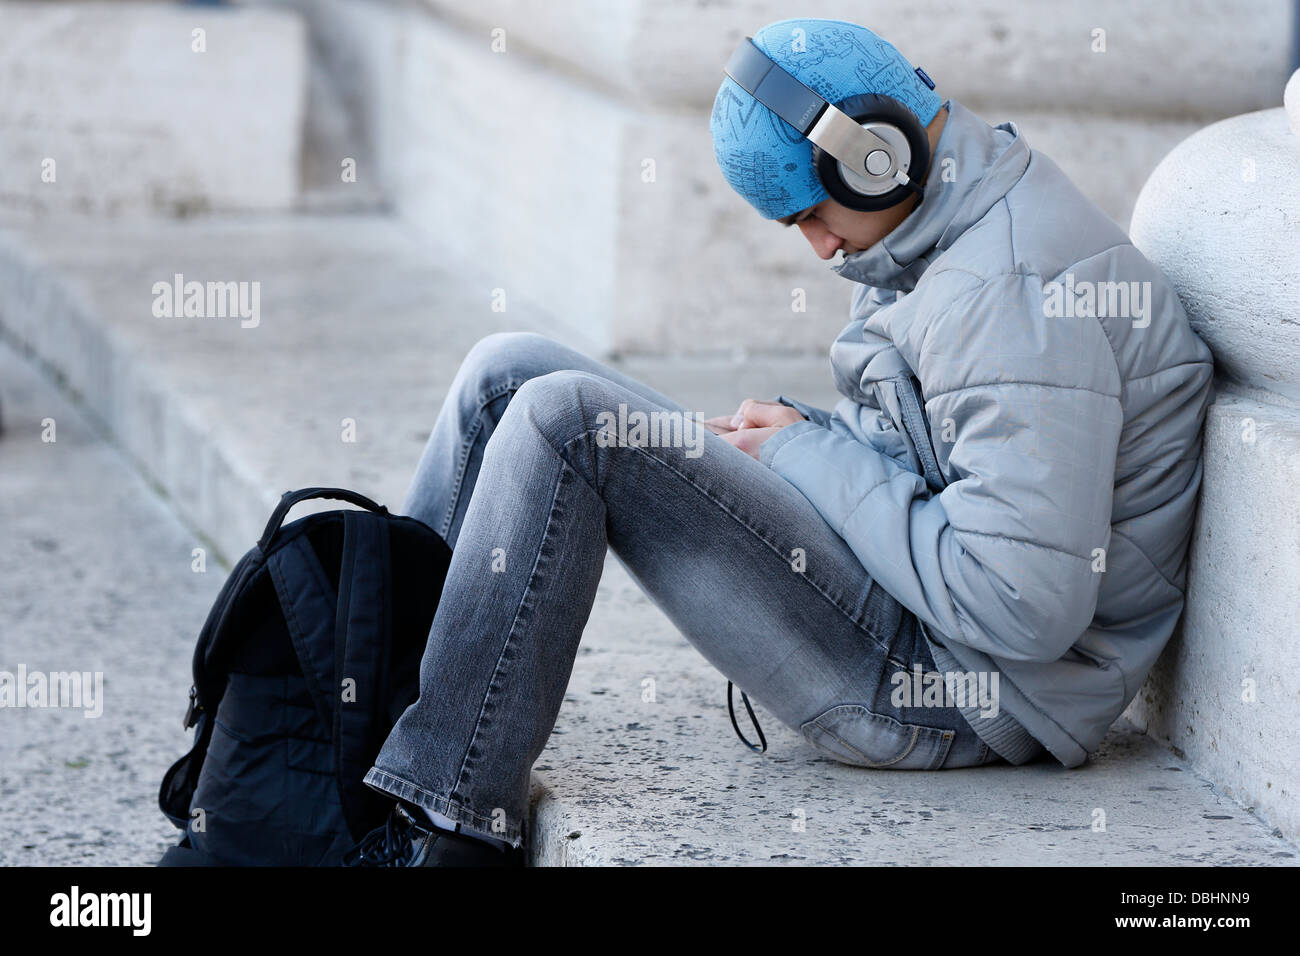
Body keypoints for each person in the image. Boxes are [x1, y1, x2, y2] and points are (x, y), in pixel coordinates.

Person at [344, 17, 1214, 867]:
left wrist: (813, 459)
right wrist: (803, 443)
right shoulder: (942, 228)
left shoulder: (1006, 295)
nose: (822, 246)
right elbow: (947, 467)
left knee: (569, 421)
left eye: (810, 212)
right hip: (916, 614)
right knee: (508, 370)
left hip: (962, 693)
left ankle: (444, 823)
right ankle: (356, 744)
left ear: (880, 155)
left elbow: (1021, 605)